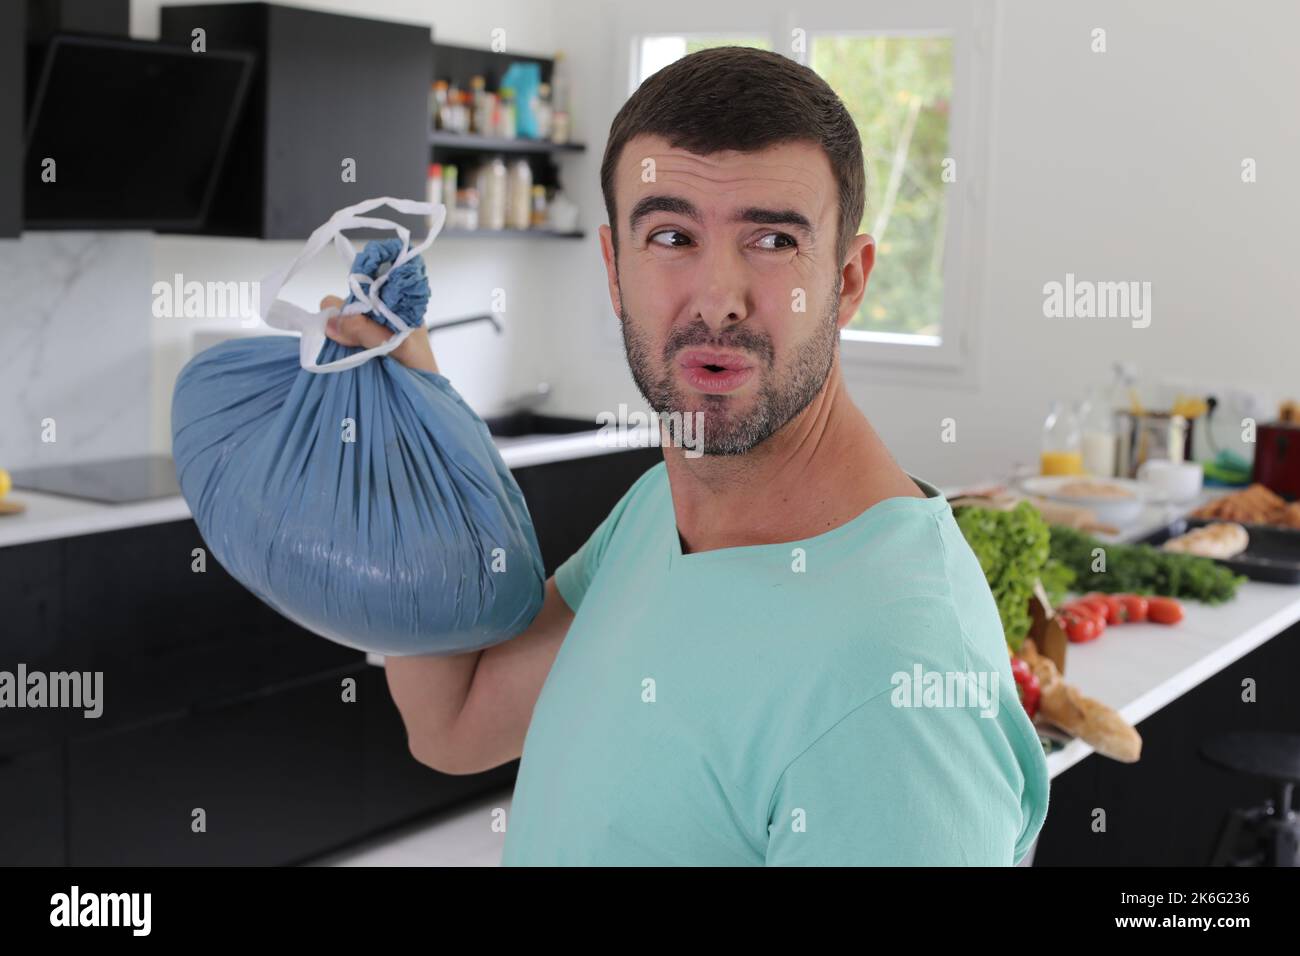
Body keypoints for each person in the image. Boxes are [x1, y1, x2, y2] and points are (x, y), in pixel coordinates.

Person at [322, 46, 1049, 866]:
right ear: (614, 268)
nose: (718, 299)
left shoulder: (900, 685)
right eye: (671, 235)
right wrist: (410, 429)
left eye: (773, 241)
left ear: (847, 280)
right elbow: (453, 723)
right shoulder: (658, 510)